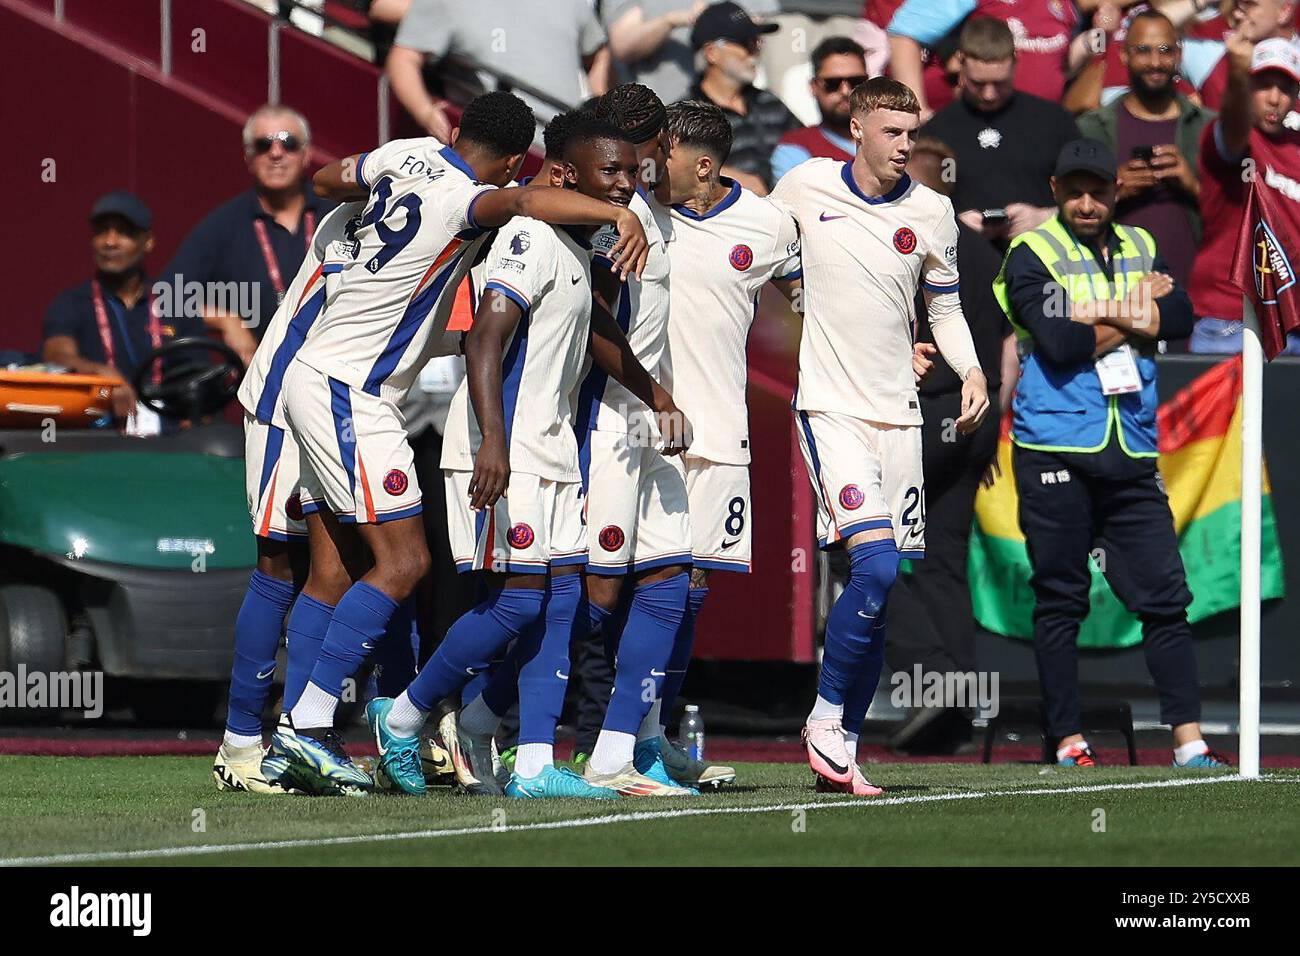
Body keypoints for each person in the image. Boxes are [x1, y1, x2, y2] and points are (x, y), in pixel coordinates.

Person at [267, 92, 652, 794]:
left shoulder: (405, 157)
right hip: (350, 386)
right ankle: (310, 726)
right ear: (513, 162)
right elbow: (525, 207)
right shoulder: (468, 199)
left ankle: (303, 732)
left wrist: (363, 201)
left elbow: (326, 179)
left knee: (345, 565)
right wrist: (618, 213)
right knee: (406, 562)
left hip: (334, 373)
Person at [363, 114, 685, 798]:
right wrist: (496, 444)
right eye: (613, 172)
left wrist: (656, 394)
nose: (628, 185)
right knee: (519, 604)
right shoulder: (527, 236)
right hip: (502, 449)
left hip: (553, 449)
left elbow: (596, 333)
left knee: (562, 604)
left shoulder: (575, 242)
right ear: (565, 174)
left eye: (633, 172)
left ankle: (533, 765)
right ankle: (405, 715)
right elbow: (484, 340)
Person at [770, 77, 990, 795]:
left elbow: (946, 307)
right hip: (831, 408)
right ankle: (825, 719)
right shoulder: (804, 185)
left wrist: (970, 369)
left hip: (902, 415)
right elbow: (763, 251)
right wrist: (797, 293)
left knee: (880, 587)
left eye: (912, 132)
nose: (906, 145)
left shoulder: (932, 211)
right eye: (893, 131)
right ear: (859, 126)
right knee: (877, 569)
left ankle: (843, 745)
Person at [992, 137, 1228, 769]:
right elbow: (1060, 344)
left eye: (1098, 190)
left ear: (1115, 190)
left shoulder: (1141, 245)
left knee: (1165, 597)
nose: (1088, 202)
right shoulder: (1031, 251)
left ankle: (1189, 741)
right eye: (1075, 191)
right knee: (1062, 597)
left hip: (1131, 449)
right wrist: (1134, 310)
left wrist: (1099, 311)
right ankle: (1069, 739)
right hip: (1055, 449)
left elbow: (1181, 314)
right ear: (1055, 191)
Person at [657, 100, 801, 782]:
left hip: (717, 435)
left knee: (689, 590)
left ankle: (654, 736)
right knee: (608, 585)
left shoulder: (767, 226)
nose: (653, 164)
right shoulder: (629, 213)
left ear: (704, 163)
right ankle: (592, 735)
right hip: (635, 432)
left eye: (666, 153)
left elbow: (815, 304)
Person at [212, 199, 367, 795]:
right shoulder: (362, 214)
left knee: (345, 565)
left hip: (343, 404)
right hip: (288, 398)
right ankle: (242, 742)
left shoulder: (427, 205)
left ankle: (302, 734)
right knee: (278, 562)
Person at [884, 136, 1012, 755]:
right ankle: (957, 712)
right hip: (977, 416)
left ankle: (935, 681)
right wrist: (990, 429)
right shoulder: (989, 255)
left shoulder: (910, 245)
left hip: (925, 410)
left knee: (865, 548)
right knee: (943, 562)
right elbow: (1009, 354)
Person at [163, 105, 334, 366]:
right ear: (248, 156)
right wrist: (225, 320)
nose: (276, 153)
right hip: (261, 378)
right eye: (263, 144)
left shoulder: (337, 214)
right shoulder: (224, 225)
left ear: (307, 153)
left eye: (289, 143)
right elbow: (166, 297)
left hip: (335, 367)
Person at [1076, 8, 1215, 287]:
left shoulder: (1208, 128)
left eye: (1165, 50)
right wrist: (1113, 193)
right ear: (1124, 55)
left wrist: (1192, 187)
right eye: (1143, 50)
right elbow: (1066, 217)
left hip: (1197, 296)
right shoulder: (1092, 128)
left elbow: (1236, 221)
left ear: (1179, 55)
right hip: (1114, 294)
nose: (1155, 61)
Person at [42, 192, 204, 425]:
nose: (110, 242)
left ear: (147, 241)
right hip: (98, 436)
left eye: (124, 232)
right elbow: (56, 356)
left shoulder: (175, 303)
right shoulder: (71, 303)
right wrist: (102, 376)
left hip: (169, 438)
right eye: (102, 231)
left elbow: (199, 376)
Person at [920, 17, 1081, 245]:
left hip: (1042, 260)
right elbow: (915, 209)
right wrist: (954, 223)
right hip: (966, 264)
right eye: (978, 83)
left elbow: (1089, 196)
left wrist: (1044, 217)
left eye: (999, 83)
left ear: (1015, 61)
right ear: (961, 62)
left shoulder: (1055, 121)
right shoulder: (936, 131)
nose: (989, 94)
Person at [1189, 35, 1300, 353]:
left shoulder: (1297, 146)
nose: (1275, 98)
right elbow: (1234, 126)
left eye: (1285, 88)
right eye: (1263, 85)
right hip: (1228, 321)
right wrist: (1237, 76)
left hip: (1291, 324)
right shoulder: (1232, 137)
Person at [386, 0, 607, 138]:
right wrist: (425, 112)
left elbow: (599, 53)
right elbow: (404, 58)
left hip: (567, 153)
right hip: (496, 154)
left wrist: (597, 103)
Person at [887, 0, 1089, 119]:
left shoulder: (1064, 5)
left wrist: (1093, 40)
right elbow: (905, 35)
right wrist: (917, 111)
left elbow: (1057, 64)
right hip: (972, 128)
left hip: (1035, 133)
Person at [687, 1, 798, 194]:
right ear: (711, 53)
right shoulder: (686, 115)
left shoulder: (770, 103)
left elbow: (807, 143)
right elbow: (664, 168)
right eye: (747, 44)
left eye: (757, 42)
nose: (756, 52)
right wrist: (725, 177)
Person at [770, 36, 869, 183]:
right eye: (833, 83)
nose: (845, 91)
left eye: (856, 82)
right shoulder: (794, 148)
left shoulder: (897, 139)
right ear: (813, 87)